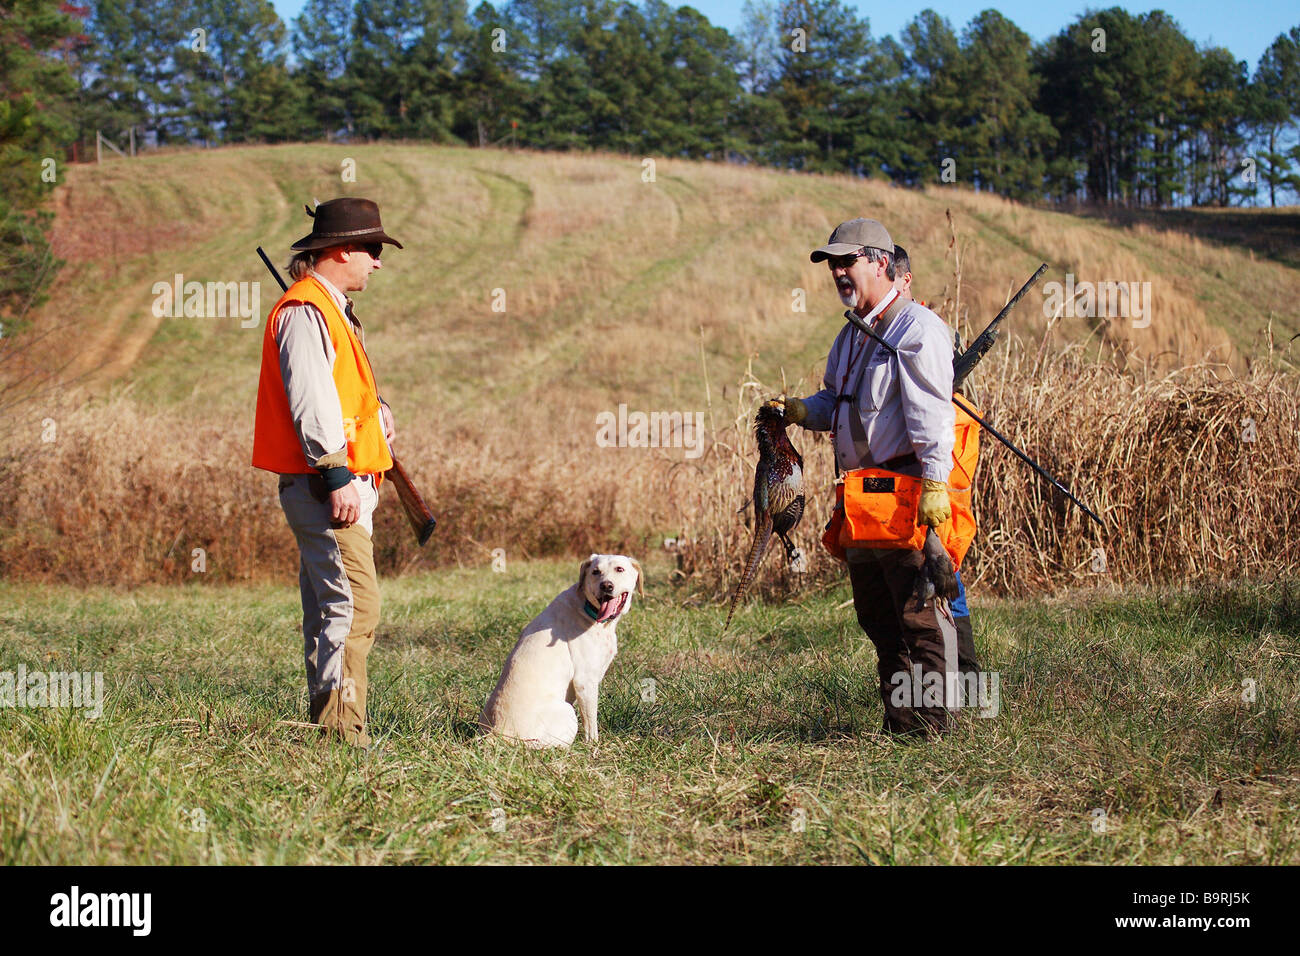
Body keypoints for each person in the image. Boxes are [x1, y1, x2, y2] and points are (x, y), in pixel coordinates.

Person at [780, 218, 960, 737]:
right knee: (878, 619)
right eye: (832, 263)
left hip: (905, 492)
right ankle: (900, 723)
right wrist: (795, 410)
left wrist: (933, 484)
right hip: (860, 498)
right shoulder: (849, 336)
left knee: (918, 617)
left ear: (880, 263)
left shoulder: (917, 330)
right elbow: (833, 404)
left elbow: (932, 416)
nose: (837, 271)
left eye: (846, 260)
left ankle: (930, 729)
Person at [252, 197, 401, 748]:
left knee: (328, 605)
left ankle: (327, 721)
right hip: (326, 485)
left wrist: (377, 418)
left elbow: (338, 397)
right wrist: (337, 475)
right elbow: (311, 403)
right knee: (356, 604)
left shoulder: (330, 308)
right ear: (342, 250)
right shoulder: (306, 309)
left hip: (337, 482)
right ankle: (343, 734)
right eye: (373, 250)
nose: (378, 262)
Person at [892, 244, 979, 684]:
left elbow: (940, 429)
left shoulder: (924, 331)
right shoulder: (898, 331)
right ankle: (963, 687)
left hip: (941, 484)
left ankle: (966, 685)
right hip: (930, 484)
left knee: (944, 581)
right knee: (942, 584)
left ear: (904, 277)